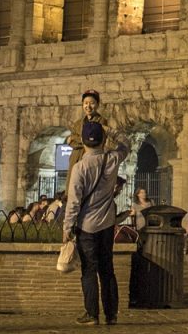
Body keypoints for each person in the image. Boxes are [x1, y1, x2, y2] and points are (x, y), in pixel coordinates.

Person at [63, 120, 129, 327]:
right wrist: (110, 130)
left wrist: (67, 228)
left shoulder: (80, 167)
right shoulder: (112, 159)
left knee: (89, 270)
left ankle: (92, 314)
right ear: (103, 140)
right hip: (107, 224)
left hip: (86, 226)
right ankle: (112, 314)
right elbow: (126, 144)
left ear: (83, 141)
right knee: (107, 269)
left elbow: (73, 202)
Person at [66, 90, 106, 176]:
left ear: (98, 104)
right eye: (86, 103)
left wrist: (75, 138)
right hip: (75, 160)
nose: (88, 106)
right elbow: (70, 142)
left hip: (90, 161)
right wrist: (83, 140)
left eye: (92, 103)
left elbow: (94, 142)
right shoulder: (78, 123)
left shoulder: (101, 122)